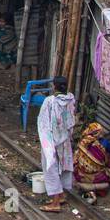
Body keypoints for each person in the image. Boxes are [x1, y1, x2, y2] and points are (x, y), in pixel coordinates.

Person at [37, 77, 76, 212]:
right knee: (64, 166)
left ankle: (55, 204)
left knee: (51, 169)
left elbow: (43, 122)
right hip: (65, 139)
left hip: (51, 140)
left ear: (54, 86)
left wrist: (45, 140)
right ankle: (61, 195)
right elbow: (71, 120)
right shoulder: (70, 100)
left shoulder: (50, 101)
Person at [73, 123, 110, 200]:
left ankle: (84, 187)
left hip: (79, 175)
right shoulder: (104, 143)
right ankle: (96, 187)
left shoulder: (83, 141)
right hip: (97, 178)